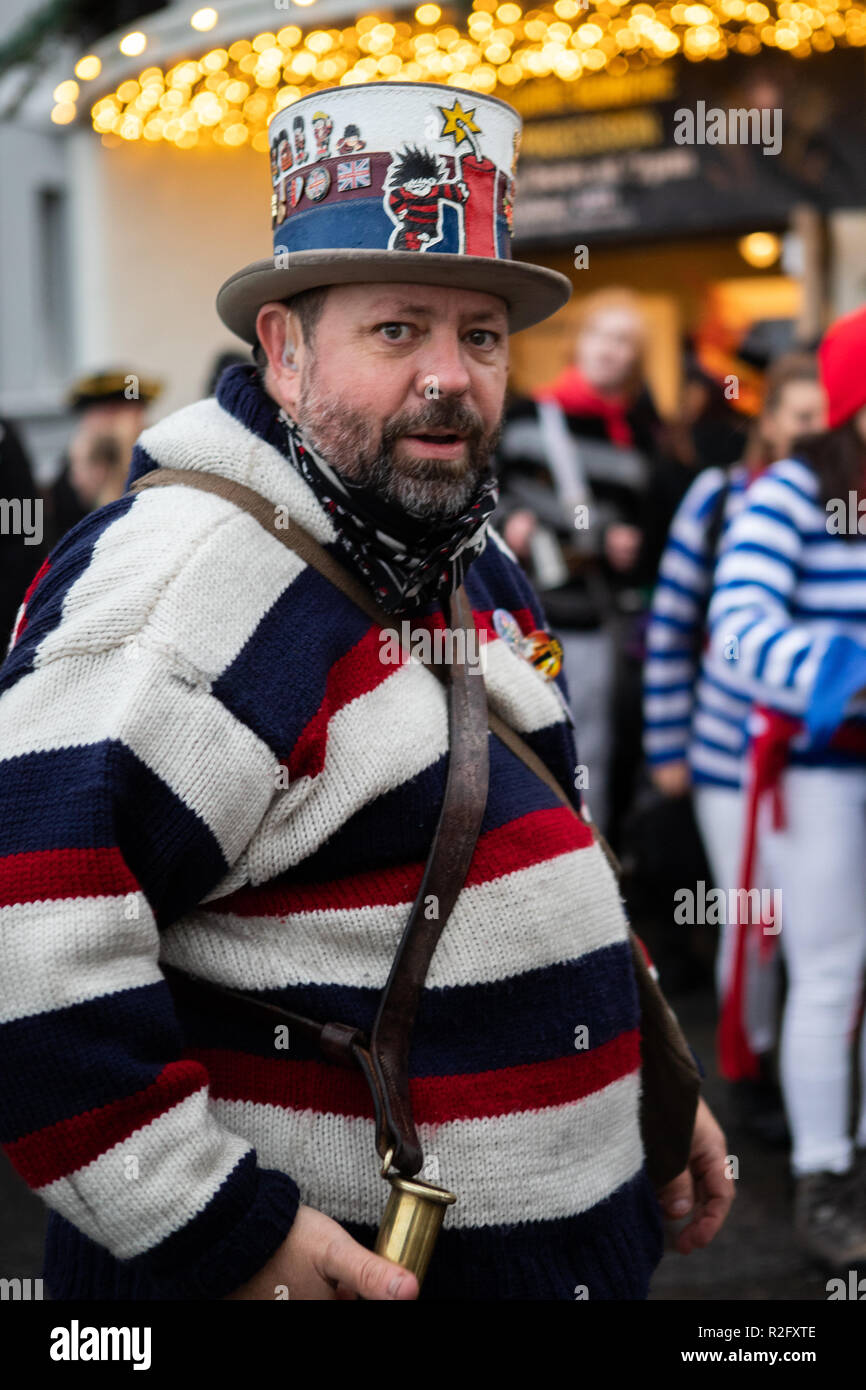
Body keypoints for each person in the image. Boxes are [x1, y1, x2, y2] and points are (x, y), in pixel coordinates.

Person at [0, 81, 731, 1302]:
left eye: (480, 335)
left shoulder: (461, 544)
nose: (450, 376)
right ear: (283, 352)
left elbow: (545, 847)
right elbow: (26, 936)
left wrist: (651, 1090)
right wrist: (222, 1236)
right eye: (398, 330)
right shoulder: (184, 577)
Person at [706, 307, 866, 1268]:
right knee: (832, 977)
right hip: (817, 775)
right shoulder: (788, 492)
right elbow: (734, 631)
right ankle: (824, 1179)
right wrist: (846, 668)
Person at [643, 354, 826, 1141]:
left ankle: (810, 1069)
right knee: (756, 920)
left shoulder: (844, 505)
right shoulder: (719, 499)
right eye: (800, 419)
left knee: (820, 931)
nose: (815, 435)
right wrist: (665, 742)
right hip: (728, 758)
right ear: (772, 423)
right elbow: (673, 624)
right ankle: (751, 1070)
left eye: (829, 419)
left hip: (818, 757)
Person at [495, 289, 662, 834]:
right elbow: (484, 491)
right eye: (602, 335)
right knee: (514, 728)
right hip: (519, 610)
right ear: (580, 340)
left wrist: (622, 541)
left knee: (588, 739)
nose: (611, 351)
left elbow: (637, 524)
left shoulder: (638, 435)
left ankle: (587, 855)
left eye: (625, 343)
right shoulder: (526, 414)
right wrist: (512, 519)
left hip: (591, 615)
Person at [44, 370, 162, 550]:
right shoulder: (71, 467)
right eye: (102, 411)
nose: (110, 422)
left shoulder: (159, 459)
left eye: (118, 409)